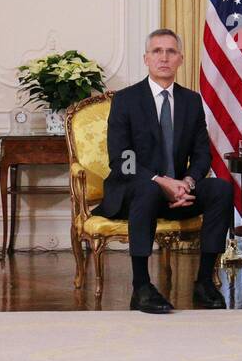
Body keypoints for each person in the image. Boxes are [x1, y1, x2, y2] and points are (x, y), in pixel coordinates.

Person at [95, 29, 233, 313]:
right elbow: (122, 160)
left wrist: (187, 182)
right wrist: (161, 181)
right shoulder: (126, 100)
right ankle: (141, 286)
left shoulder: (191, 101)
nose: (164, 57)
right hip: (136, 191)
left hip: (180, 193)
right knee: (146, 187)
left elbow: (201, 153)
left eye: (171, 51)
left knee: (221, 188)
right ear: (146, 58)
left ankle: (204, 282)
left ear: (180, 59)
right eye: (157, 51)